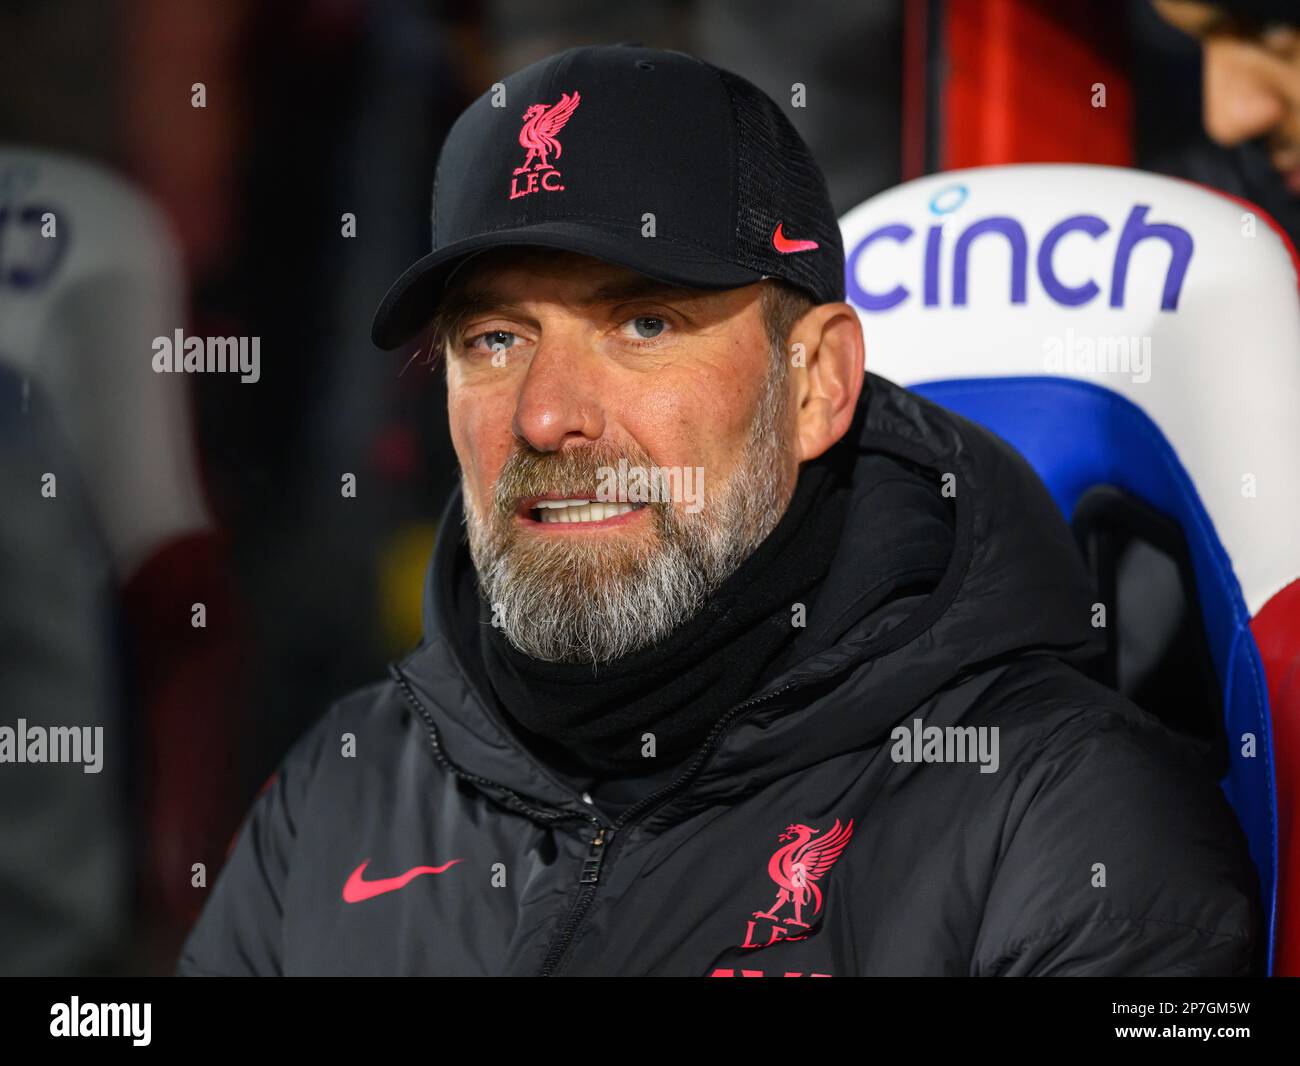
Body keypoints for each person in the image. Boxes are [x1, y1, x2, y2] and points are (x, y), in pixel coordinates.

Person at [176, 44, 1259, 976]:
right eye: (493, 340)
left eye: (644, 324)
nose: (548, 415)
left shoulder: (1067, 815)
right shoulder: (339, 786)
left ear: (818, 383)